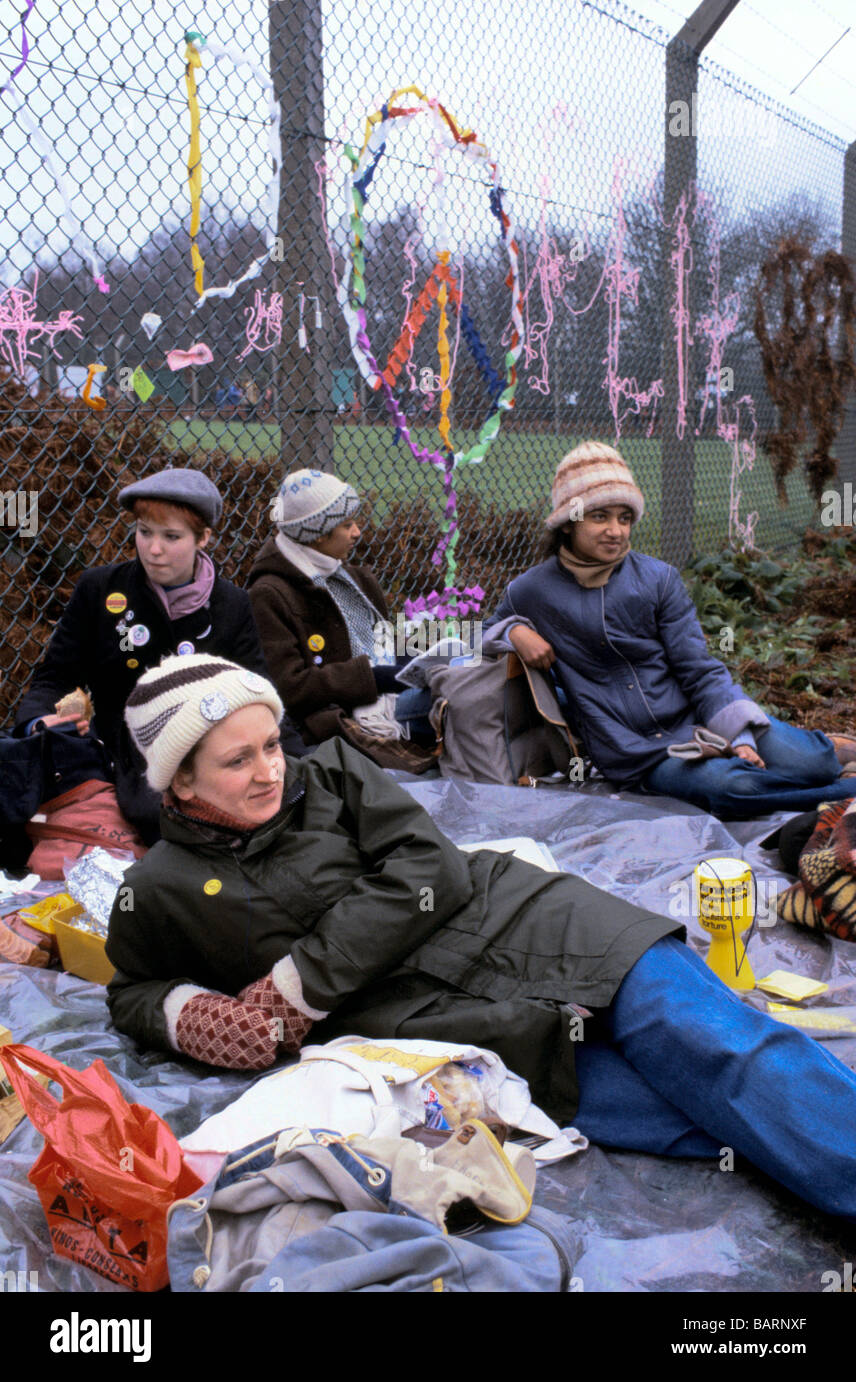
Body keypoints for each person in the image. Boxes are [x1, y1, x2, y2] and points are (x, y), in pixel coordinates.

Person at [106, 652, 856, 1225]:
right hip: (449, 1031)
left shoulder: (331, 774)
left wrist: (303, 981)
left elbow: (429, 866)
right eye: (238, 760)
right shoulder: (160, 888)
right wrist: (188, 1013)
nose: (271, 770)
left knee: (720, 1045)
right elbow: (130, 988)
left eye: (271, 744)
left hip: (537, 924)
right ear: (180, 783)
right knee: (676, 1115)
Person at [485, 441, 856, 820]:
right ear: (569, 521)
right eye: (600, 517)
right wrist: (513, 631)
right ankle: (844, 790)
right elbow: (476, 632)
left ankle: (822, 754)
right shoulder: (532, 591)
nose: (616, 531)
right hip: (638, 753)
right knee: (734, 789)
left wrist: (738, 738)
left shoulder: (658, 579)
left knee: (813, 765)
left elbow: (699, 668)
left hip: (696, 718)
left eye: (625, 518)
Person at [14, 466, 303, 846]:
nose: (152, 549)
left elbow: (257, 688)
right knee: (162, 820)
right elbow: (55, 677)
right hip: (125, 754)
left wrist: (298, 762)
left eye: (171, 536)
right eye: (144, 532)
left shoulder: (231, 604)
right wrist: (37, 721)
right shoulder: (101, 590)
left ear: (204, 538)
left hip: (209, 749)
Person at [247, 468, 434, 771]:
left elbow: (381, 643)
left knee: (470, 666)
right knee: (465, 699)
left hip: (387, 699)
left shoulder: (354, 578)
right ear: (318, 535)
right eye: (347, 525)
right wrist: (375, 677)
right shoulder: (270, 595)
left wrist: (426, 651)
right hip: (351, 717)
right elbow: (289, 687)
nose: (357, 532)